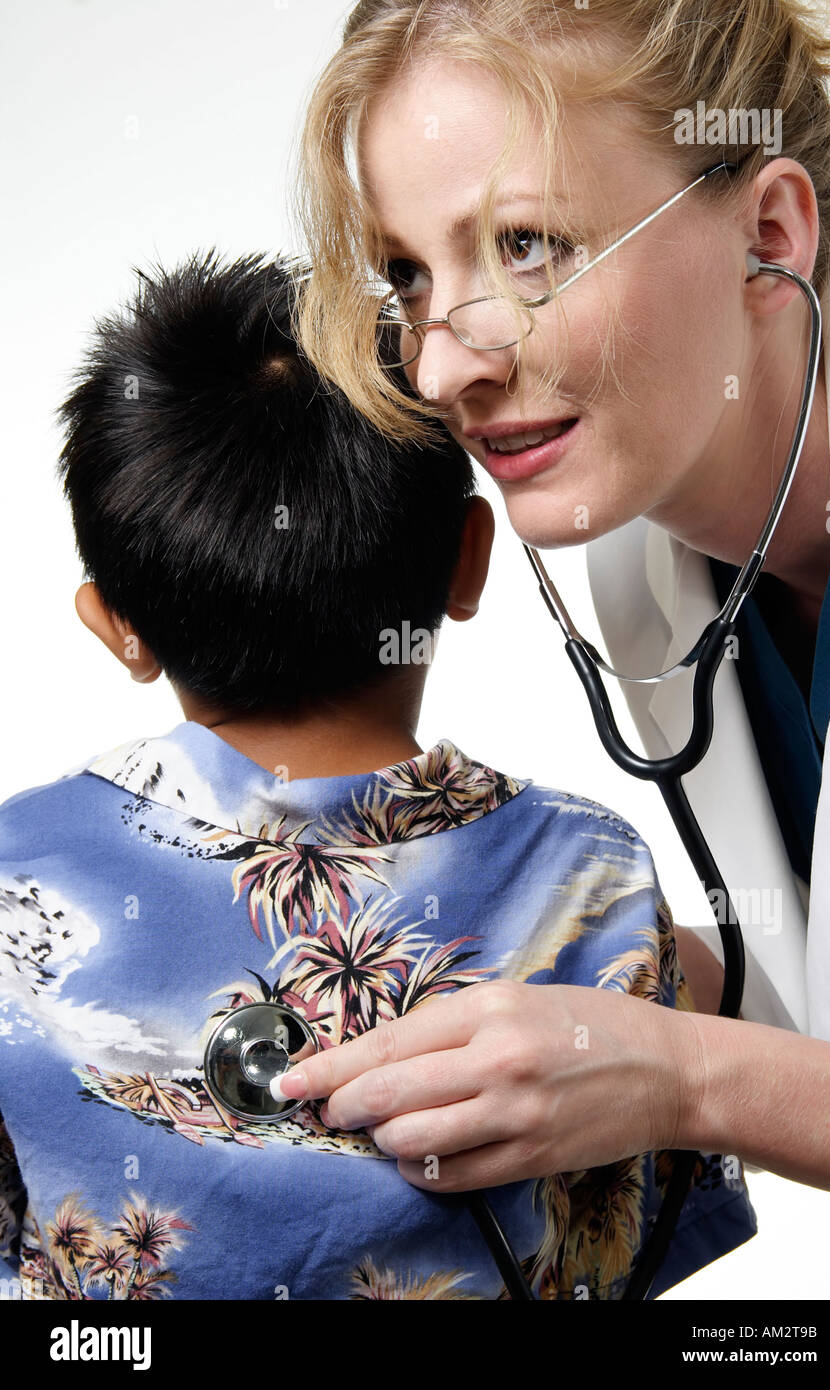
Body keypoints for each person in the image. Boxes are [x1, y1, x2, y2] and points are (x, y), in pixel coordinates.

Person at [0, 249, 755, 1301]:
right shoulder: (593, 881)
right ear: (468, 559)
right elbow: (625, 1248)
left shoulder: (14, 869)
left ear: (115, 626)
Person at [282, 0, 830, 1239]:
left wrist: (680, 1076)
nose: (441, 369)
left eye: (530, 246)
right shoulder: (651, 565)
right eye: (410, 274)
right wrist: (560, 949)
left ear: (769, 234)